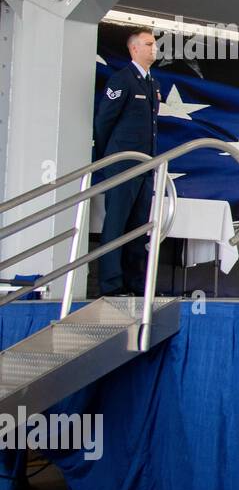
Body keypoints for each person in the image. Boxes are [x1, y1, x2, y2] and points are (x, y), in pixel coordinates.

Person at [93, 27, 163, 296]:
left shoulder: (152, 84)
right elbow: (104, 121)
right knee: (117, 224)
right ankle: (111, 285)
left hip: (146, 165)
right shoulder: (122, 80)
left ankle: (135, 284)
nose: (153, 48)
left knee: (138, 227)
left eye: (154, 44)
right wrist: (108, 158)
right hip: (123, 165)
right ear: (134, 49)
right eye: (148, 44)